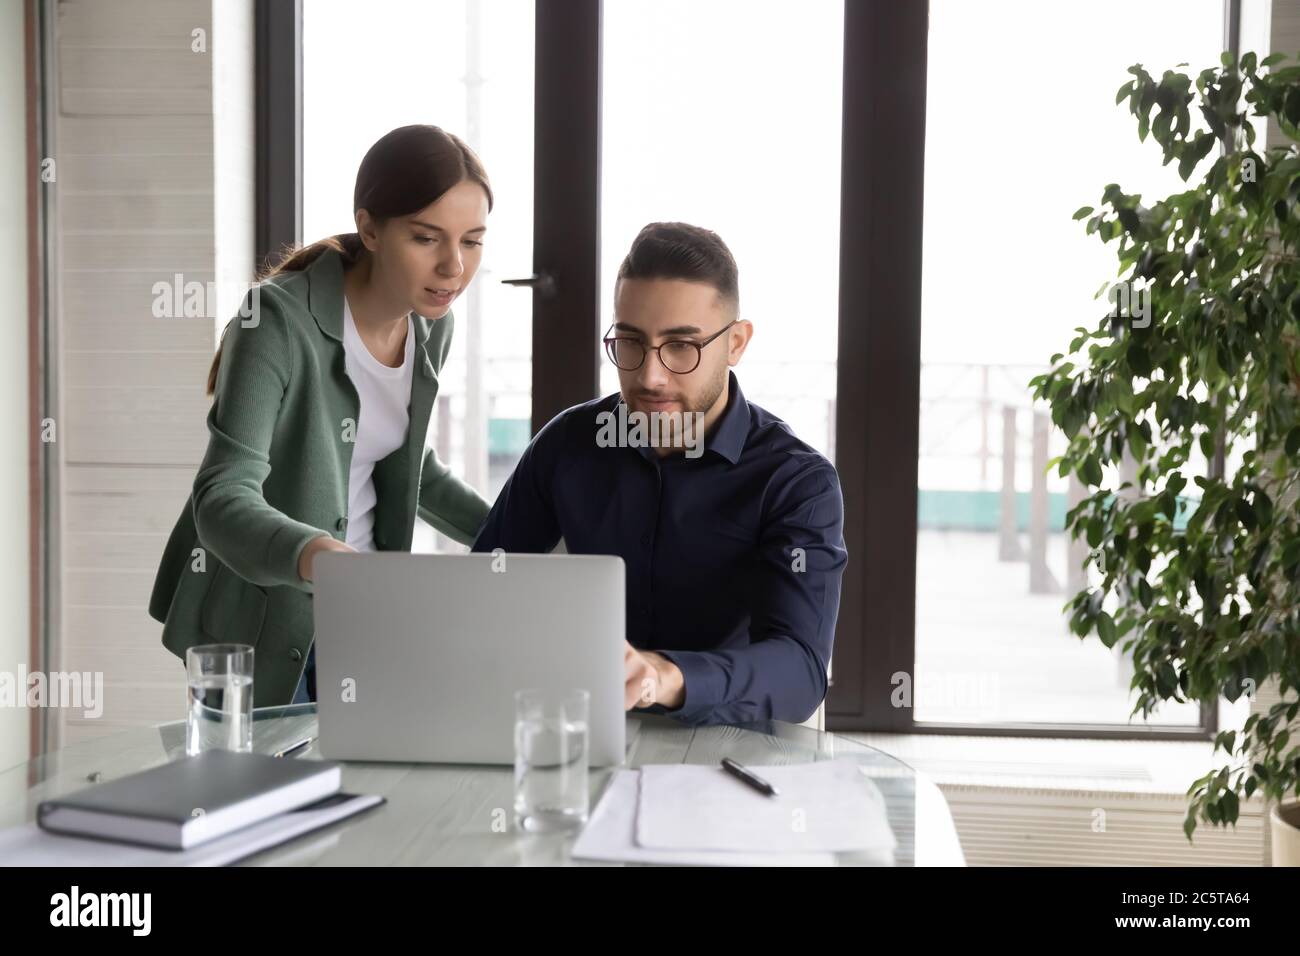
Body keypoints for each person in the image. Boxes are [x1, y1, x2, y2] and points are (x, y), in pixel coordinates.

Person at [149, 125, 494, 706]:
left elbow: (413, 469)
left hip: (364, 621)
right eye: (427, 238)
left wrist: (523, 537)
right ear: (370, 229)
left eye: (473, 241)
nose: (453, 266)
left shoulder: (432, 324)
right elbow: (223, 497)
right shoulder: (276, 322)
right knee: (263, 794)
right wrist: (318, 559)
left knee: (371, 791)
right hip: (263, 623)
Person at [472, 221, 847, 725]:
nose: (650, 376)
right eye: (630, 343)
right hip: (586, 736)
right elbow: (483, 589)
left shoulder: (797, 483)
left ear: (736, 343)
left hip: (727, 754)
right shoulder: (569, 444)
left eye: (680, 347)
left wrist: (667, 676)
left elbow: (801, 672)